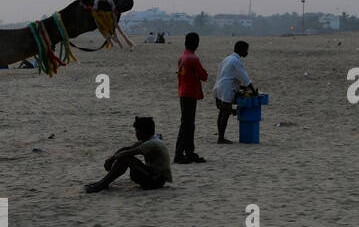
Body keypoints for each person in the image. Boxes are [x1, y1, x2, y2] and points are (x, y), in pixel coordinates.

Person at [85, 116, 172, 192]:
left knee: (126, 159)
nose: (136, 134)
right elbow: (126, 148)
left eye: (137, 131)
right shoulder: (150, 139)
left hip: (156, 180)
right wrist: (112, 157)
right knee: (124, 157)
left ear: (142, 132)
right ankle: (103, 182)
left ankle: (103, 184)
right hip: (153, 175)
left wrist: (111, 160)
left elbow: (128, 152)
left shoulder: (151, 144)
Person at [174, 32, 210, 164]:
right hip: (190, 93)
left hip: (183, 92)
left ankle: (188, 152)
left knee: (188, 124)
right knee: (187, 124)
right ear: (196, 43)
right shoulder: (193, 58)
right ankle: (179, 153)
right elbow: (204, 76)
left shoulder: (182, 57)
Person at [212, 40, 256, 144]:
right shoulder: (236, 61)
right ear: (241, 50)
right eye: (246, 50)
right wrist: (254, 92)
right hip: (226, 89)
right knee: (225, 113)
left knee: (222, 112)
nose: (247, 52)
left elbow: (228, 76)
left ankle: (220, 136)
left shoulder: (227, 59)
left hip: (219, 87)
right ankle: (221, 138)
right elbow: (246, 79)